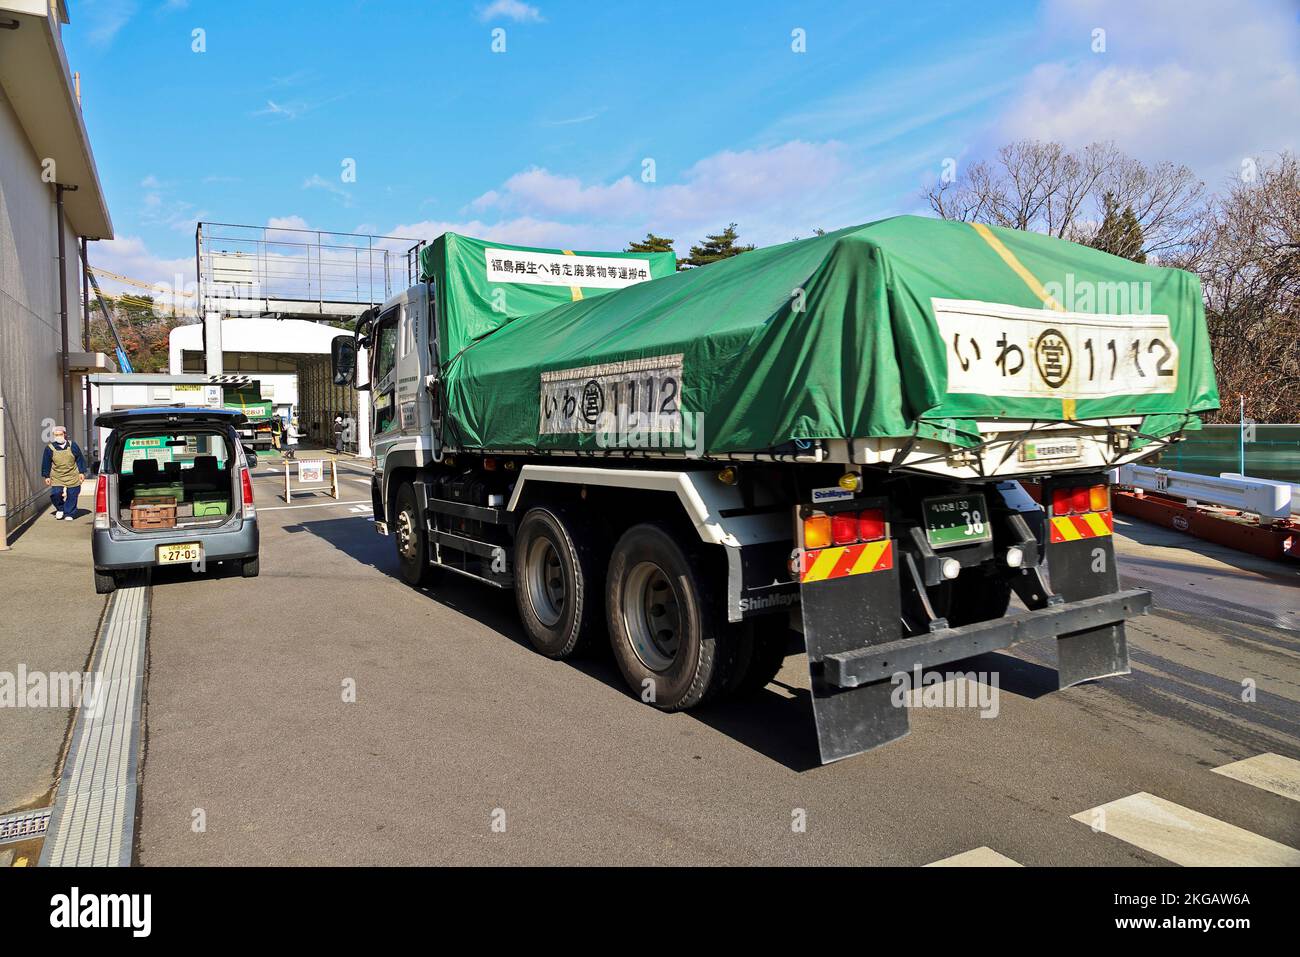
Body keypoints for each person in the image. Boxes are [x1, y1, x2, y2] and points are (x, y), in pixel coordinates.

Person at [41, 425, 87, 521]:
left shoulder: (72, 445)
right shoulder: (49, 448)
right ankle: (61, 508)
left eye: (60, 434)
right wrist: (46, 476)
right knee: (55, 494)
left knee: (72, 494)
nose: (58, 436)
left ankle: (69, 513)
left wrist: (81, 472)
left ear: (65, 435)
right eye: (56, 435)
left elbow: (79, 459)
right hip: (57, 475)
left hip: (72, 474)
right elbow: (46, 462)